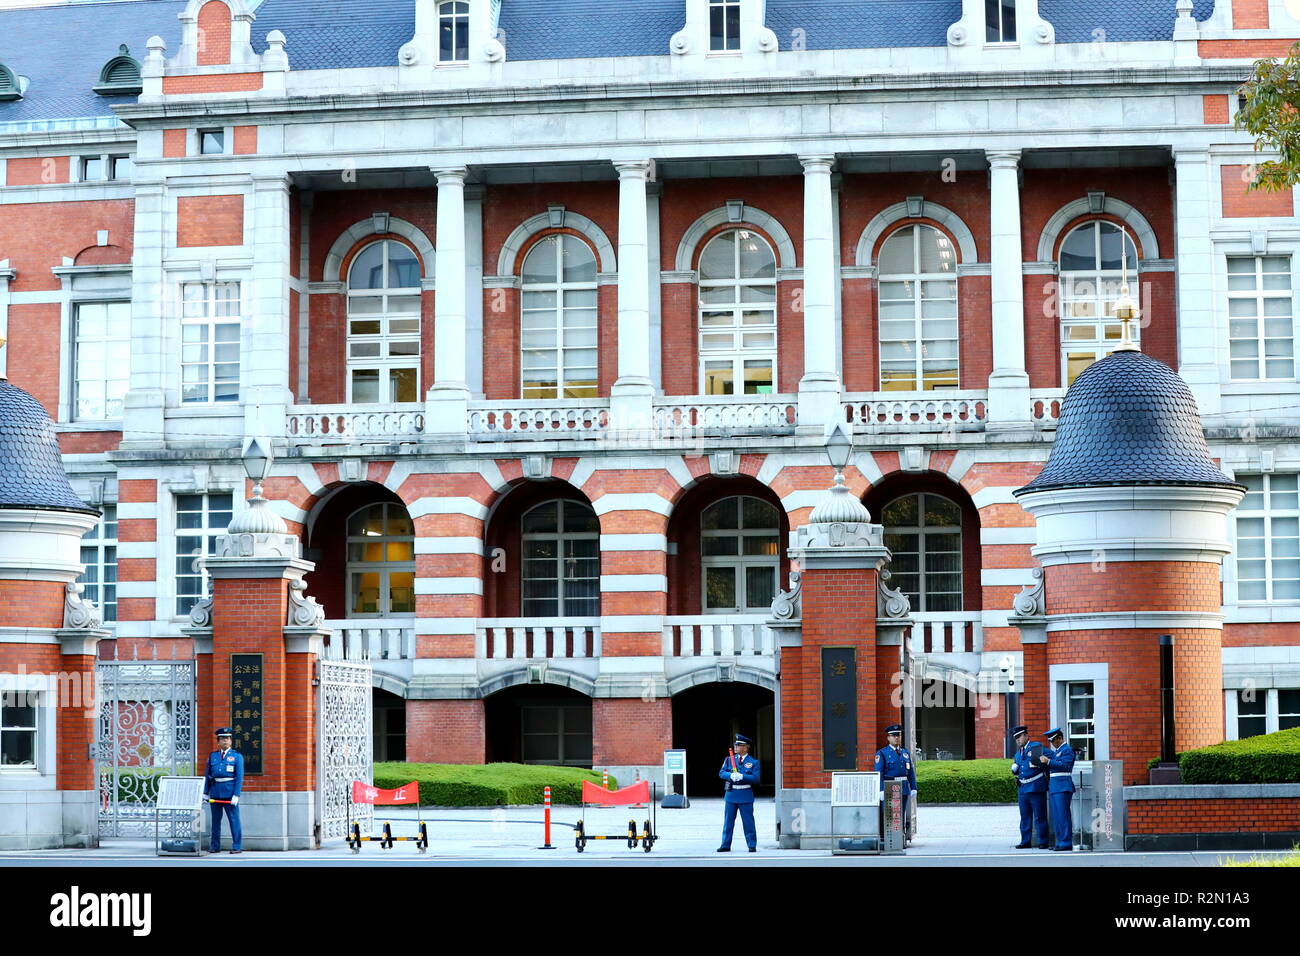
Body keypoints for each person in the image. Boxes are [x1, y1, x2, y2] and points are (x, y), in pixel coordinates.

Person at [873, 724, 916, 844]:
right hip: (889, 788)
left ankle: (900, 839)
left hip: (903, 787)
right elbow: (879, 772)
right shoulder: (882, 753)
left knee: (900, 815)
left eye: (899, 735)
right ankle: (889, 840)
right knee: (889, 815)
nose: (897, 738)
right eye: (894, 736)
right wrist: (881, 790)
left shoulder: (905, 753)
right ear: (888, 738)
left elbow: (910, 771)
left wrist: (913, 787)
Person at [716, 734, 760, 852]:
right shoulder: (729, 760)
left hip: (745, 794)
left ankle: (751, 844)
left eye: (739, 745)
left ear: (746, 747)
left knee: (748, 822)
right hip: (731, 794)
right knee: (728, 822)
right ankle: (725, 844)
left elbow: (756, 778)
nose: (736, 747)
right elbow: (721, 773)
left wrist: (742, 776)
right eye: (735, 745)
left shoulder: (753, 762)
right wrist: (730, 775)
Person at [203, 727, 244, 854]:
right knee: (215, 821)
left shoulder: (237, 756)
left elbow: (239, 777)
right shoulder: (213, 756)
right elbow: (208, 775)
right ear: (218, 741)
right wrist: (205, 792)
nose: (225, 741)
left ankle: (237, 846)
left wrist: (236, 794)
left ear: (231, 741)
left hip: (229, 793)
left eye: (227, 738)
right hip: (215, 792)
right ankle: (215, 846)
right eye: (222, 739)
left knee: (234, 820)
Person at [1009, 725, 1048, 849]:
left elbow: (1051, 757)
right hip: (1023, 789)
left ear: (1026, 735)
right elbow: (1019, 768)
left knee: (1039, 816)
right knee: (1024, 817)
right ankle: (1025, 841)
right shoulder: (1018, 754)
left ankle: (1043, 841)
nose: (1017, 740)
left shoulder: (1036, 747)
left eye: (1019, 737)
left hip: (1036, 787)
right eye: (1016, 738)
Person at [1039, 727, 1076, 851]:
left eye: (1054, 740)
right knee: (1057, 816)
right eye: (1051, 741)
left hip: (1063, 786)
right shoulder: (1057, 751)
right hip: (1055, 786)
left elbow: (1065, 766)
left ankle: (1066, 842)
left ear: (1060, 738)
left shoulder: (1067, 750)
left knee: (1063, 815)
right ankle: (1060, 841)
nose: (1052, 743)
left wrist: (1048, 761)